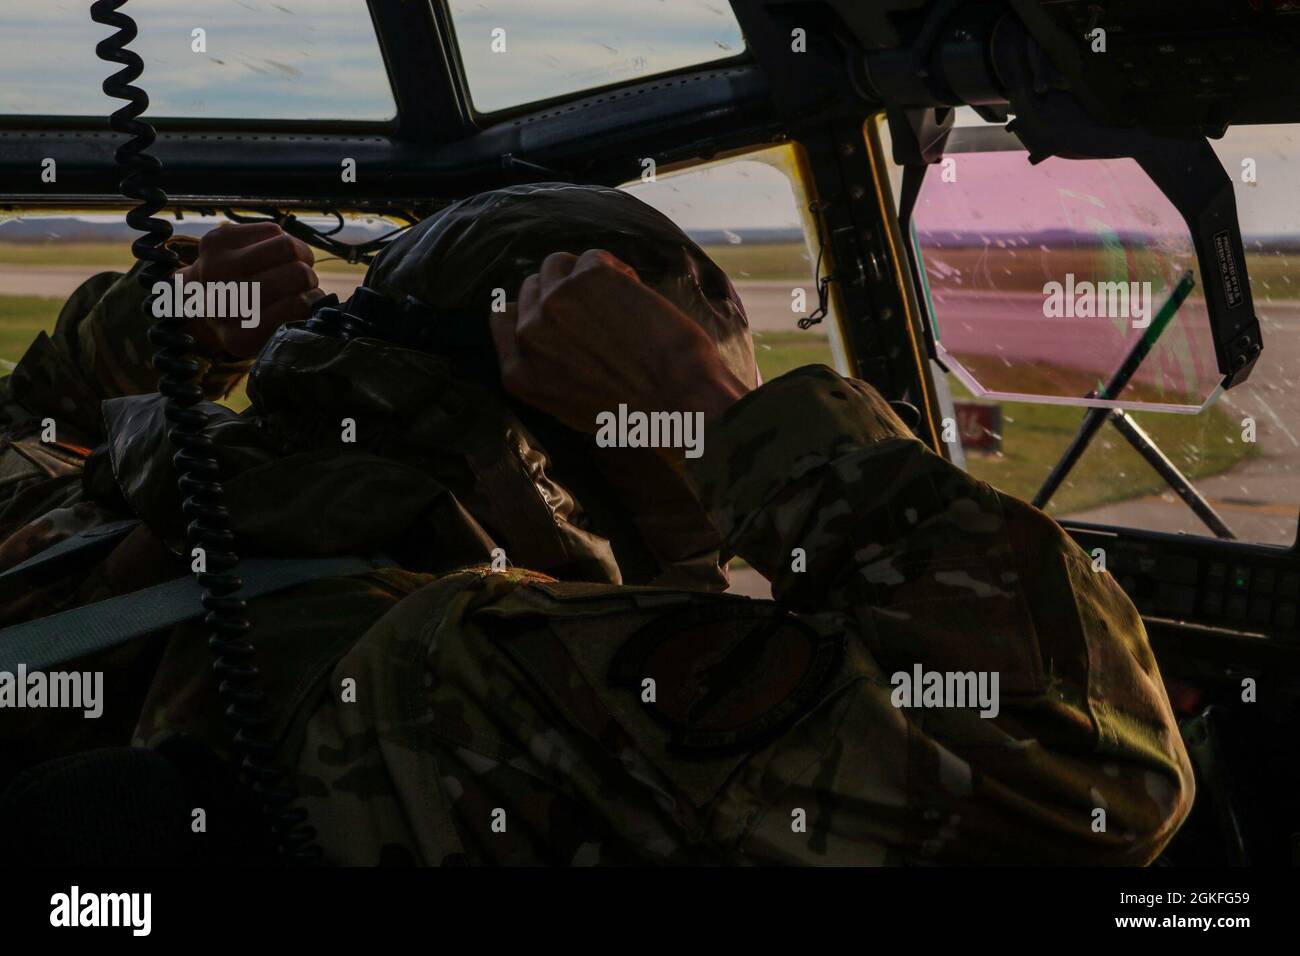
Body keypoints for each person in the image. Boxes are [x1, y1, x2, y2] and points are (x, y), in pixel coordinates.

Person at [0, 185, 1193, 865]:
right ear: (566, 434)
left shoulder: (78, 509)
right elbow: (1084, 777)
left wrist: (161, 331)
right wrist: (725, 415)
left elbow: (26, 418)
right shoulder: (458, 664)